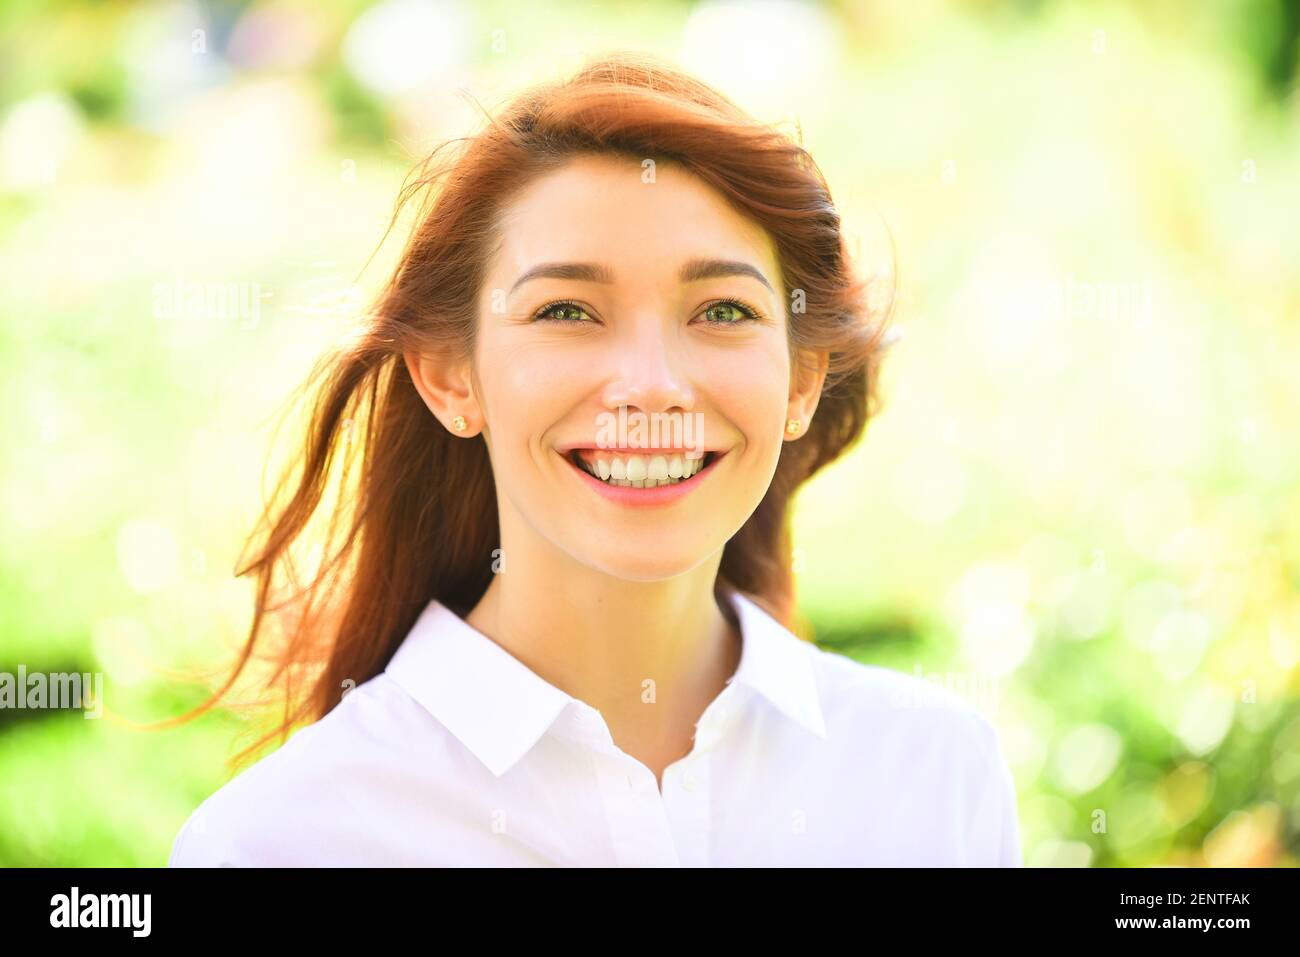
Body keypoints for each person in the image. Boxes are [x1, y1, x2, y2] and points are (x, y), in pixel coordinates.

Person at [166, 52, 1022, 867]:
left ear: (801, 379)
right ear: (448, 374)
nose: (652, 387)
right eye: (568, 310)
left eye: (723, 310)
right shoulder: (278, 844)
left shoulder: (935, 775)